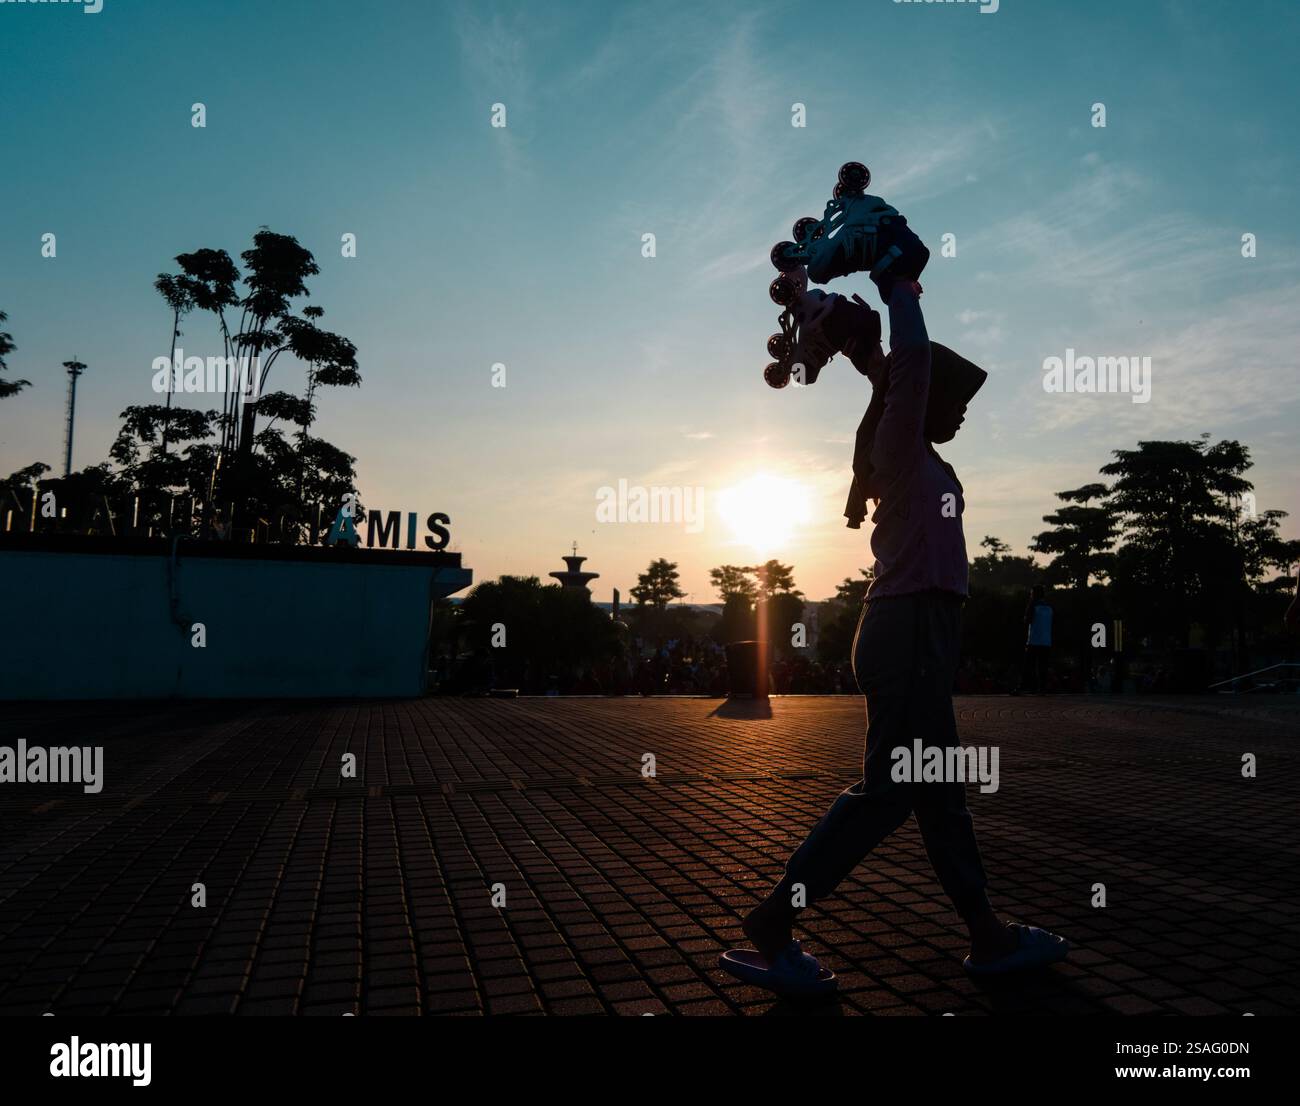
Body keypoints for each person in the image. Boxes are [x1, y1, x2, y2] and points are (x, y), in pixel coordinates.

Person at [720, 280, 1068, 997]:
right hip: (908, 630)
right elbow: (907, 367)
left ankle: (986, 935)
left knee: (935, 792)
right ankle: (773, 922)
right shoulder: (901, 443)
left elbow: (892, 374)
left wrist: (861, 348)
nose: (962, 412)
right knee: (891, 793)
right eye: (956, 398)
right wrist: (899, 288)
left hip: (919, 631)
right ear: (925, 395)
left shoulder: (909, 444)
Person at [1012, 585, 1054, 694]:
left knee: (1028, 666)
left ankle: (1023, 687)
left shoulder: (1033, 606)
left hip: (1034, 640)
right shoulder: (1049, 607)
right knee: (1043, 666)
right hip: (1046, 641)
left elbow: (1027, 620)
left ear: (1034, 594)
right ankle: (1042, 688)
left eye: (1031, 593)